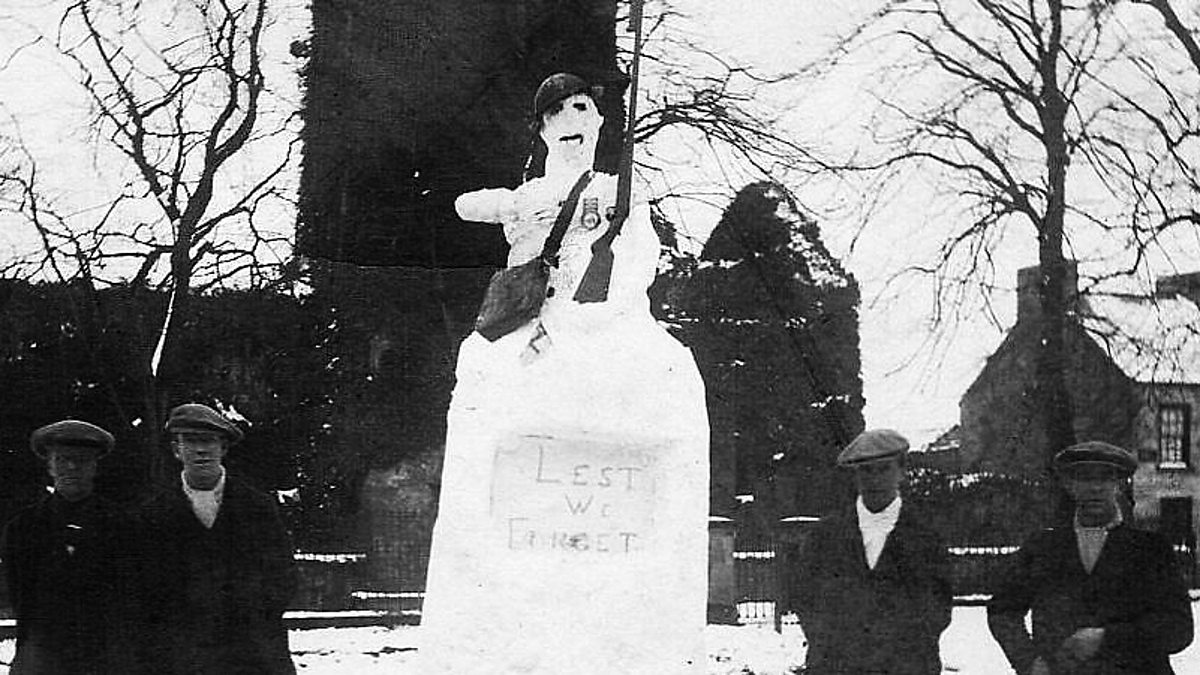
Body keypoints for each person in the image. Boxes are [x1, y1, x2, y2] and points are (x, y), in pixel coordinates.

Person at [418, 72, 709, 674]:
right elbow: (468, 207)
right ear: (544, 128)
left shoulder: (621, 190)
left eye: (585, 109)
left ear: (601, 124)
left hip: (604, 320)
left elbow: (639, 259)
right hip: (532, 327)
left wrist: (605, 299)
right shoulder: (525, 196)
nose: (574, 120)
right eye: (559, 113)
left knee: (666, 370)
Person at [988, 441, 1194, 674]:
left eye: (1105, 478)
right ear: (1069, 485)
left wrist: (1106, 637)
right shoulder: (1043, 548)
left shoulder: (1151, 549)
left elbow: (1178, 630)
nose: (1095, 488)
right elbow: (1002, 611)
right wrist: (1029, 662)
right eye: (1085, 478)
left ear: (1119, 484)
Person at [135, 403, 297, 674]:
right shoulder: (152, 515)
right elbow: (143, 590)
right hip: (180, 656)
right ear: (176, 450)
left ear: (223, 448)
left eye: (209, 441)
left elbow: (283, 578)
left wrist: (249, 616)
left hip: (251, 654)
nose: (201, 450)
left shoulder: (258, 508)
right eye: (190, 441)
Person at [791, 428, 953, 675]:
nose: (875, 479)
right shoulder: (825, 535)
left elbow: (937, 608)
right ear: (855, 475)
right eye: (866, 470)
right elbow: (806, 599)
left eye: (884, 469)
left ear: (901, 472)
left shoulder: (926, 536)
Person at [1, 420, 135, 674]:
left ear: (96, 466)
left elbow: (130, 600)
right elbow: (22, 599)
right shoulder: (23, 528)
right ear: (50, 466)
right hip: (44, 657)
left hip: (106, 659)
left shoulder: (124, 526)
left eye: (82, 460)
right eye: (63, 459)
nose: (72, 467)